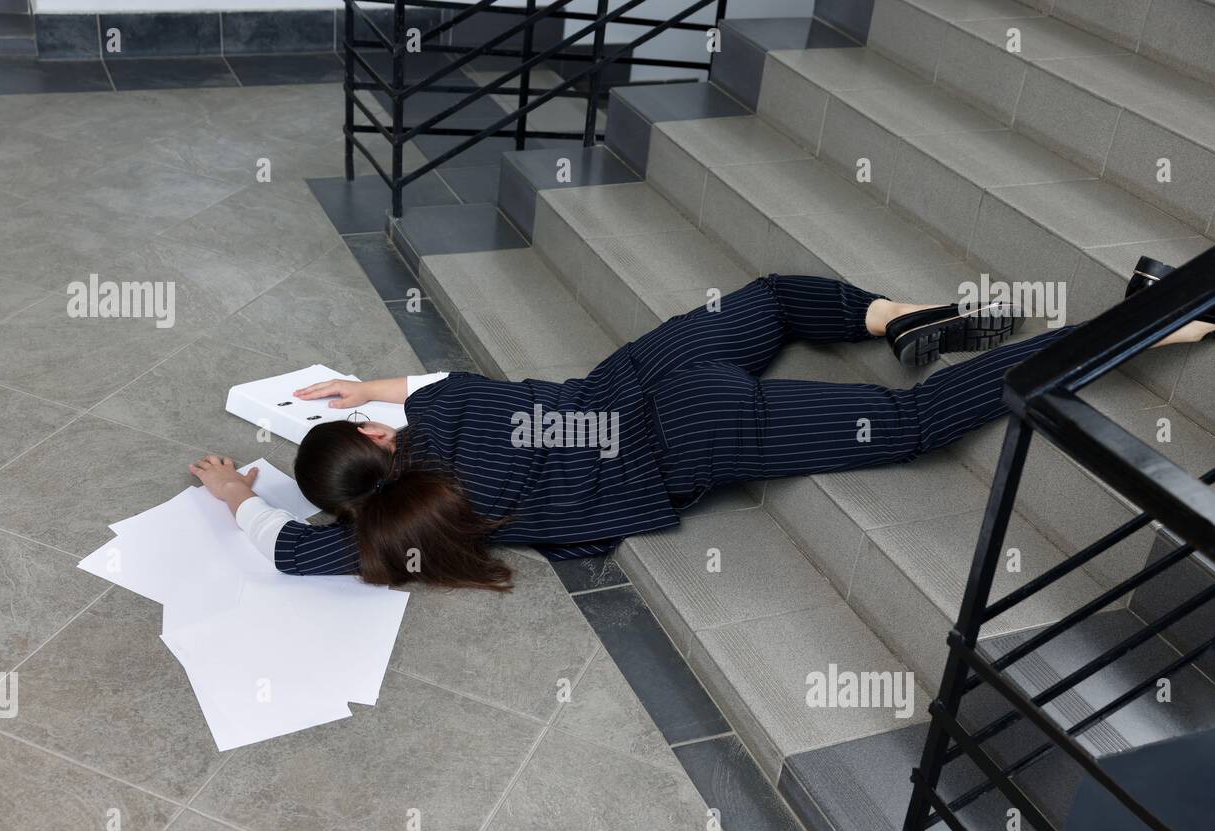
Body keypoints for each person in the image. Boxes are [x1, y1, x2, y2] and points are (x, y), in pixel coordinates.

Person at [190, 267, 1214, 591]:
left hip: (691, 433)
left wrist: (236, 494)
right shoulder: (444, 408)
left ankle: (934, 328)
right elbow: (428, 382)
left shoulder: (404, 531)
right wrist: (372, 384)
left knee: (904, 425)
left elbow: (280, 551)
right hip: (653, 381)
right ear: (379, 436)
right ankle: (902, 315)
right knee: (771, 299)